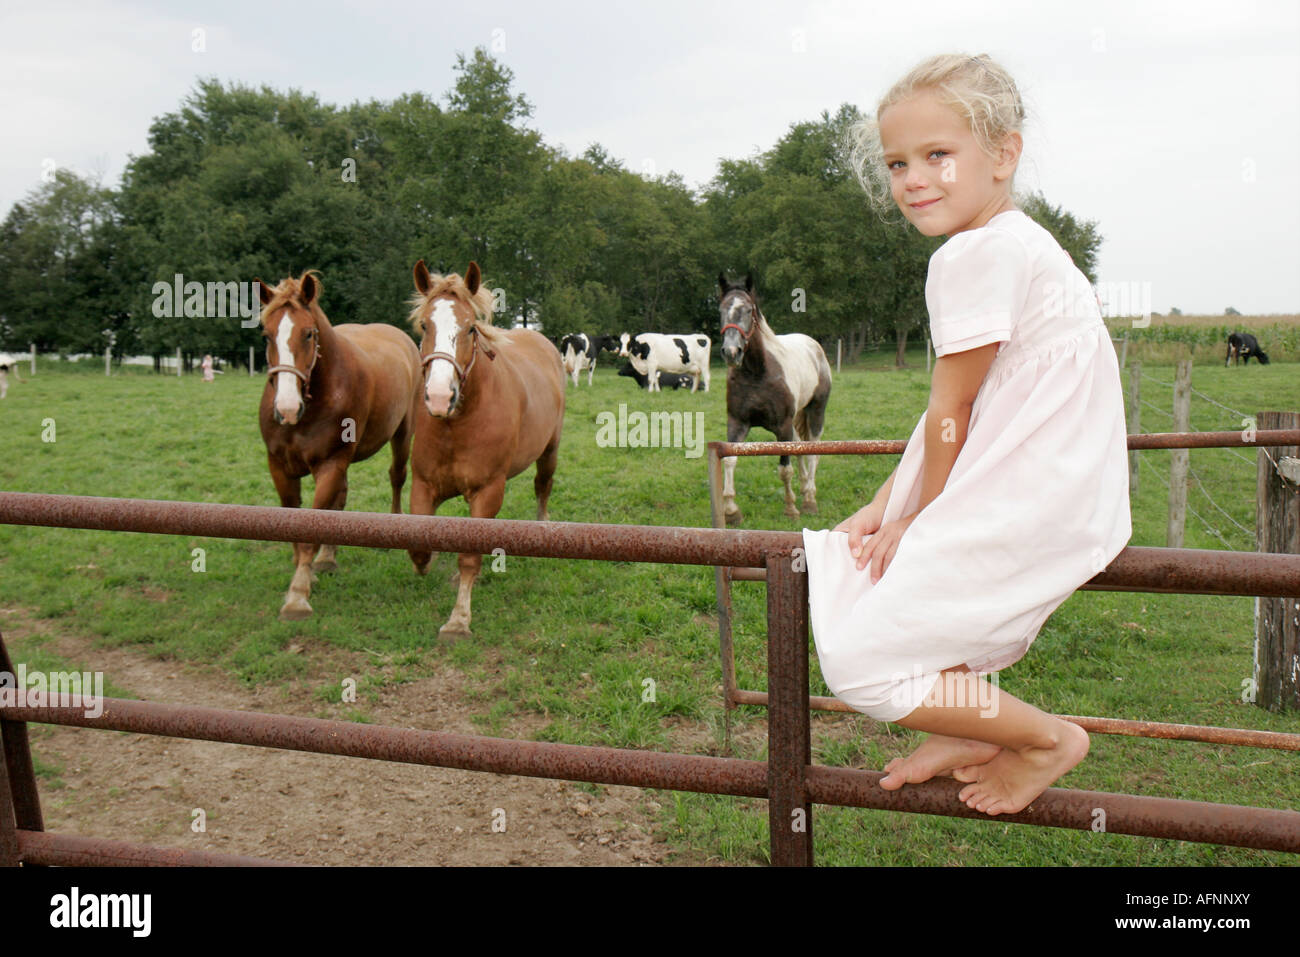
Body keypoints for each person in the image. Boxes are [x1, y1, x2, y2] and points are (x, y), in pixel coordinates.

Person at [801, 53, 1131, 816]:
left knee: (860, 659)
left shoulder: (975, 254)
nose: (914, 178)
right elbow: (951, 412)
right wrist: (890, 504)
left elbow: (952, 406)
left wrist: (918, 515)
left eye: (937, 155)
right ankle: (968, 726)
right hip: (1052, 482)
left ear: (1004, 154)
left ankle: (1046, 739)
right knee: (868, 586)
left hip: (1032, 489)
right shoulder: (1017, 242)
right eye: (897, 162)